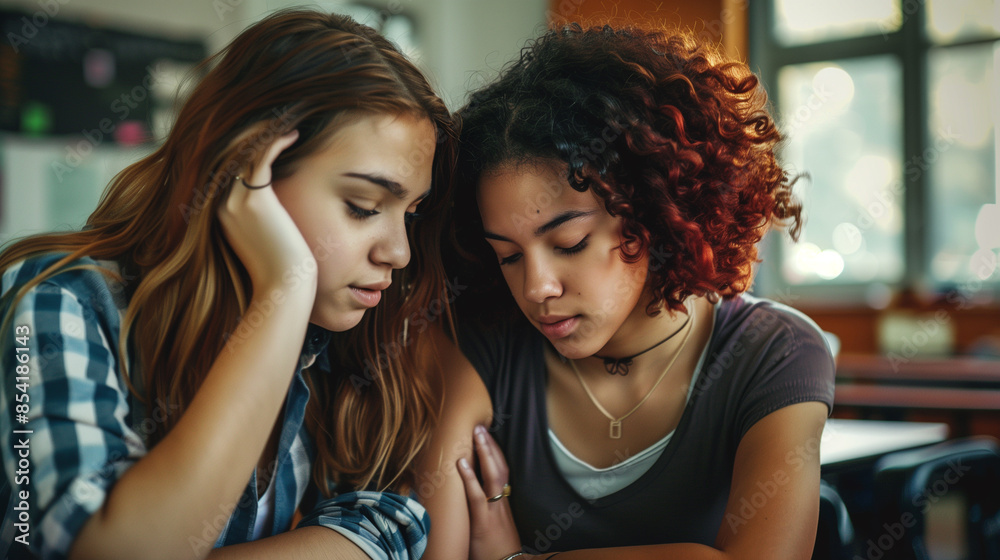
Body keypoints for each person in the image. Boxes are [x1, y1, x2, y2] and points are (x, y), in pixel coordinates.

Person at [0, 9, 458, 560]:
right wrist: (283, 288)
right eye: (363, 207)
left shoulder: (351, 336)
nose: (399, 253)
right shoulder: (60, 298)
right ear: (245, 171)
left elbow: (392, 522)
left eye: (409, 214)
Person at [416, 23, 836, 560]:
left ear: (656, 213)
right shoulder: (485, 340)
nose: (537, 287)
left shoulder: (774, 352)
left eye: (569, 243)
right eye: (509, 256)